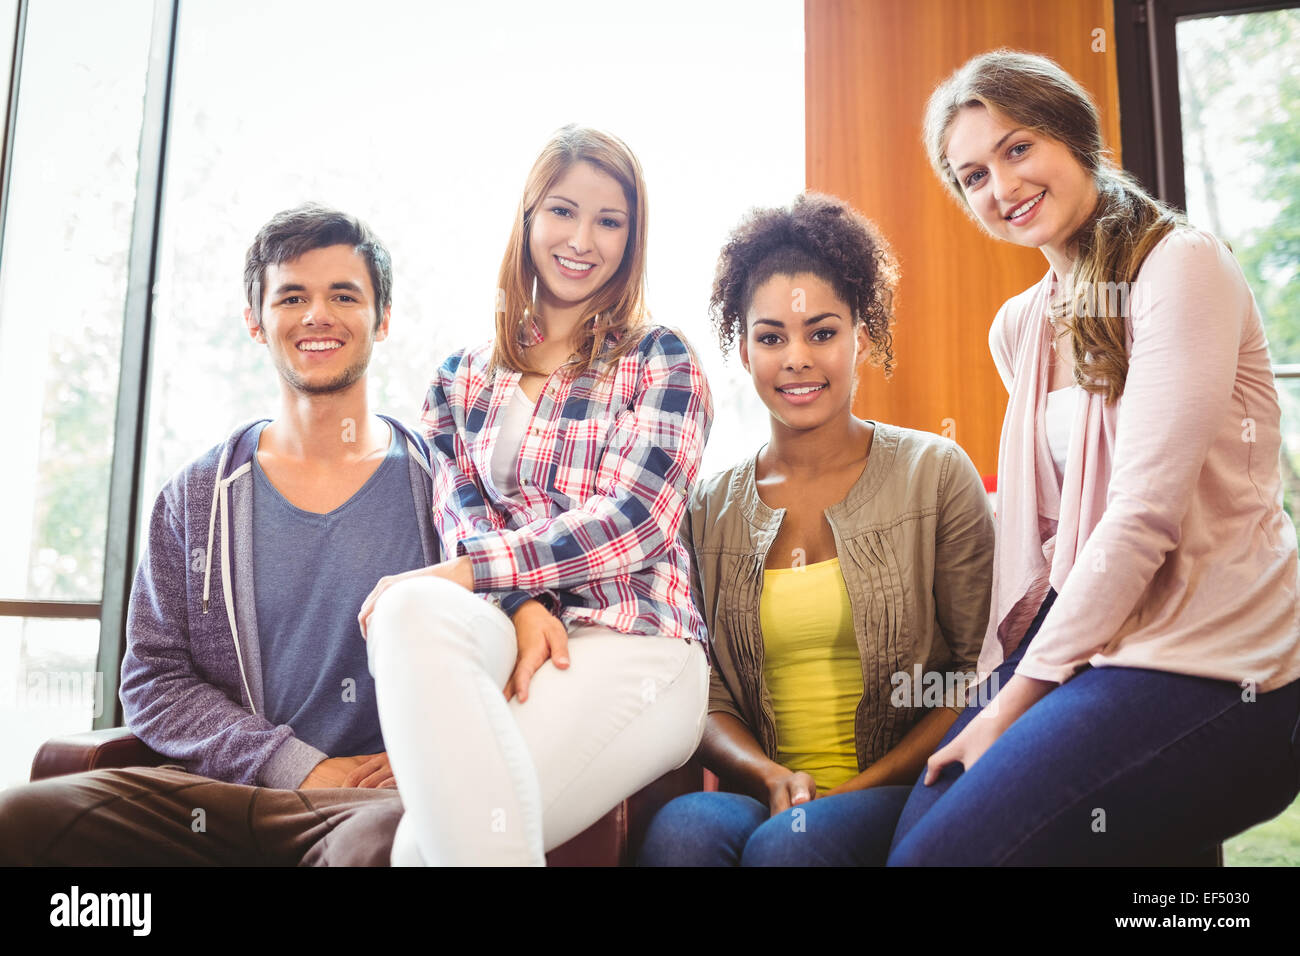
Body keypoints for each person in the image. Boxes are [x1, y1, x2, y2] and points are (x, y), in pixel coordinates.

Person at [878, 49, 1300, 866]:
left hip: (1223, 660)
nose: (1001, 188)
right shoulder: (1021, 326)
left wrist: (1014, 705)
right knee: (917, 835)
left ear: (1076, 137)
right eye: (972, 176)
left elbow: (1139, 514)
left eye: (1017, 148)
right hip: (1099, 645)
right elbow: (1052, 525)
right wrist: (997, 682)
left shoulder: (1180, 267)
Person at [0, 204, 438, 865]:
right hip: (227, 799)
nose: (318, 315)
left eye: (343, 295)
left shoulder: (445, 490)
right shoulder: (195, 497)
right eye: (292, 296)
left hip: (379, 807)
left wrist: (429, 753)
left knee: (385, 849)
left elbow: (507, 648)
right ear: (256, 322)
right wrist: (292, 764)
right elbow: (154, 677)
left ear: (382, 319)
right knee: (23, 820)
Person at [355, 125, 713, 866]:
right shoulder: (459, 376)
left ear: (631, 238)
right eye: (562, 211)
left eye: (609, 221)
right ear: (527, 218)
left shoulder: (660, 357)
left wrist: (477, 575)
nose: (582, 239)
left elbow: (635, 522)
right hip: (513, 631)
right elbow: (461, 514)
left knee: (423, 850)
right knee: (408, 606)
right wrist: (518, 606)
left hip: (635, 637)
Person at [638, 193, 995, 866]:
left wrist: (852, 792)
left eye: (822, 332)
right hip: (766, 791)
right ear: (743, 351)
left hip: (905, 788)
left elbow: (978, 676)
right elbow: (703, 690)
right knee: (682, 832)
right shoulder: (707, 506)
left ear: (862, 333)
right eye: (771, 337)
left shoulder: (936, 473)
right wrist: (770, 777)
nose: (796, 358)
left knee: (790, 852)